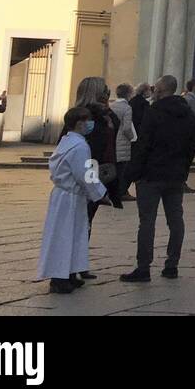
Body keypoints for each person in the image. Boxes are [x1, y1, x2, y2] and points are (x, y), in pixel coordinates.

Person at [121, 75, 195, 282]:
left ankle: (143, 267)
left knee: (146, 222)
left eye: (155, 88)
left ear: (160, 91)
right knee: (176, 220)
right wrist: (184, 170)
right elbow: (192, 146)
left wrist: (131, 175)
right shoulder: (188, 115)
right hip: (175, 176)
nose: (153, 91)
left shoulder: (153, 113)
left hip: (151, 175)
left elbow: (143, 145)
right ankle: (172, 265)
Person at [37, 106, 106, 294]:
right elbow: (84, 174)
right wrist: (100, 193)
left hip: (65, 195)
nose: (90, 124)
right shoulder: (80, 146)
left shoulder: (67, 142)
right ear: (79, 123)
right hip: (71, 197)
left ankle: (69, 272)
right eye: (87, 120)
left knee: (72, 235)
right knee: (66, 236)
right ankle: (60, 277)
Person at [75, 76, 122, 279]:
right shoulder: (83, 116)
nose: (107, 94)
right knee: (82, 220)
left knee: (88, 219)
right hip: (88, 170)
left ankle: (80, 263)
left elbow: (116, 127)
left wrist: (106, 109)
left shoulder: (104, 115)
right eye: (104, 90)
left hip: (101, 171)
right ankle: (75, 265)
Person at [110, 84, 138, 202]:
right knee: (122, 170)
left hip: (112, 140)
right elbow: (127, 128)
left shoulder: (111, 106)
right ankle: (121, 192)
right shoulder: (127, 108)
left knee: (115, 168)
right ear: (129, 94)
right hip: (123, 142)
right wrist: (132, 138)